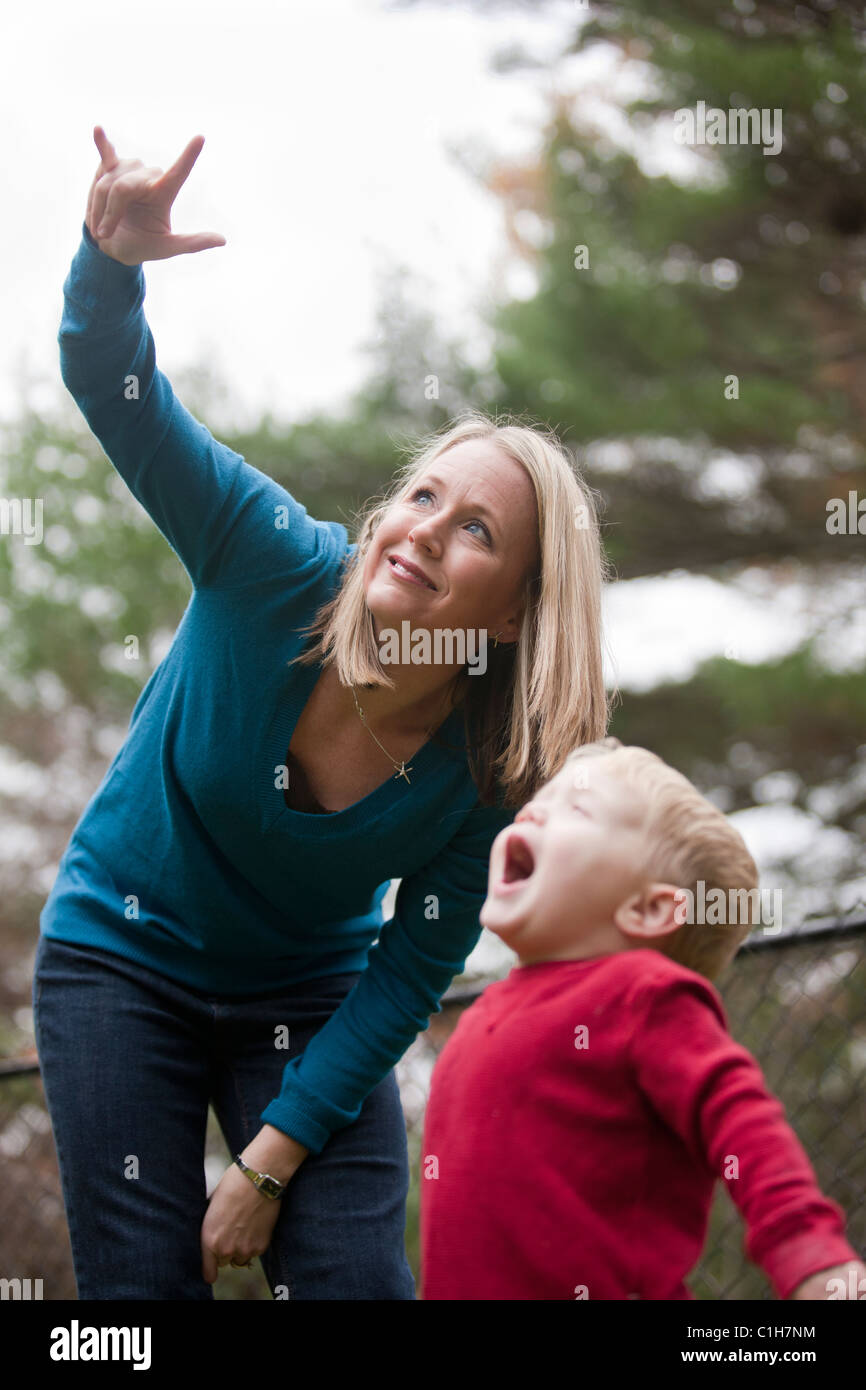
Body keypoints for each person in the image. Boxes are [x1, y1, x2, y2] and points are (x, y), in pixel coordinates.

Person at [32, 127, 612, 1299]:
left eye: (477, 532)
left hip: (307, 997)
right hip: (118, 957)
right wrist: (110, 265)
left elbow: (409, 969)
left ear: (509, 617)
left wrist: (271, 1155)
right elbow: (118, 393)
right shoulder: (268, 559)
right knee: (135, 1302)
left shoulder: (487, 767)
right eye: (423, 495)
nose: (422, 531)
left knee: (352, 1283)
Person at [420, 737, 866, 1300]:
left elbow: (738, 1117)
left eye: (575, 810)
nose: (532, 810)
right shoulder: (483, 1012)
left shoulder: (641, 996)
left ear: (648, 908)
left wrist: (811, 1257)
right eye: (543, 799)